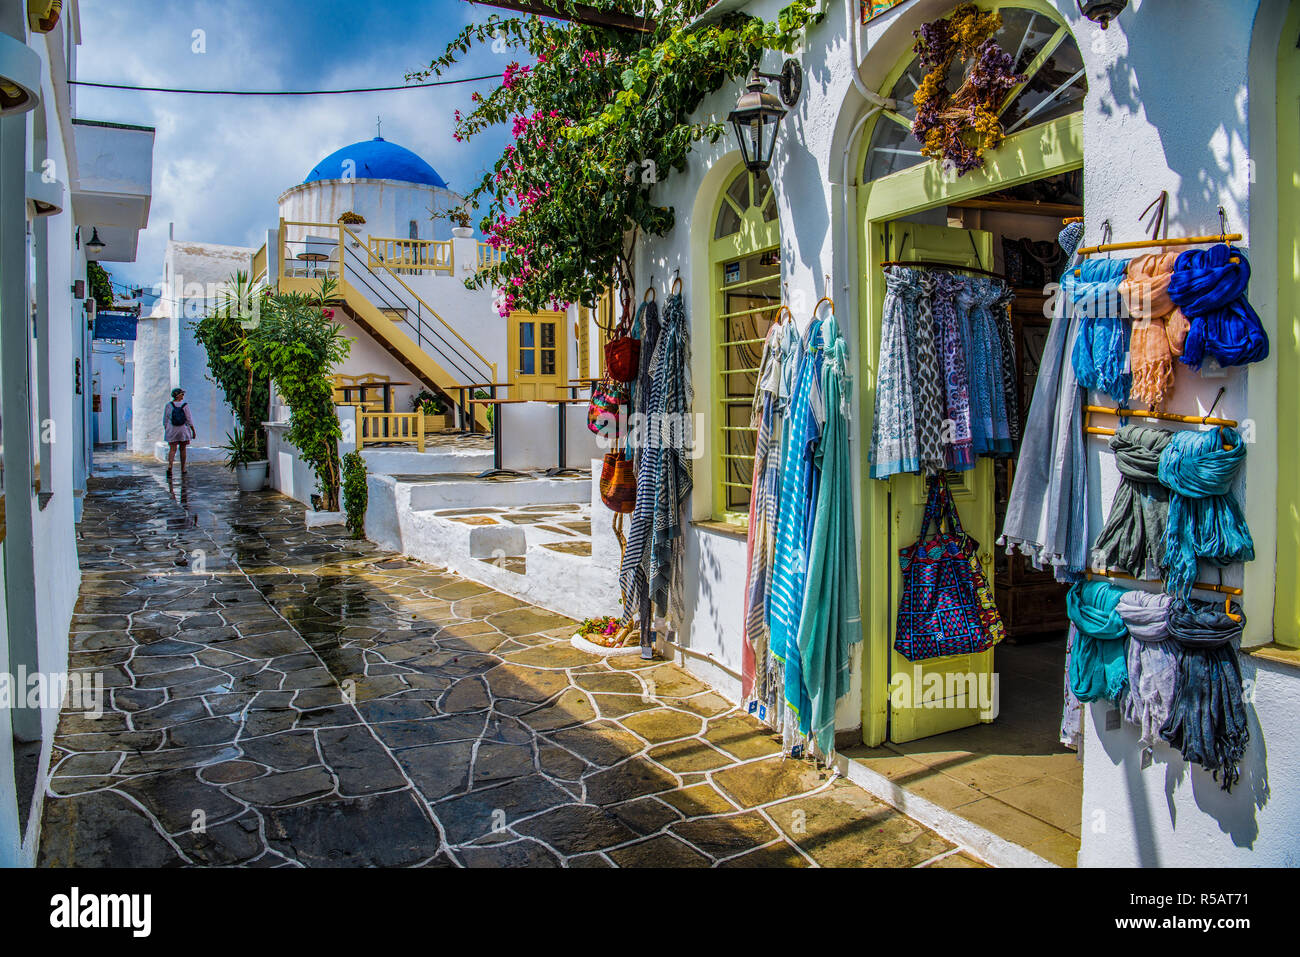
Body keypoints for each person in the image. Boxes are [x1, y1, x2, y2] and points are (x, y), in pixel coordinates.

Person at [164, 387, 196, 473]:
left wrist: (167, 430)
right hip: (183, 430)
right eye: (182, 394)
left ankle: (170, 466)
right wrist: (193, 430)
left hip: (172, 430)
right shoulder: (185, 405)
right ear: (178, 395)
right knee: (182, 449)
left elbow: (165, 420)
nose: (183, 396)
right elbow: (189, 419)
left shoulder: (168, 405)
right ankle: (183, 468)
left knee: (172, 449)